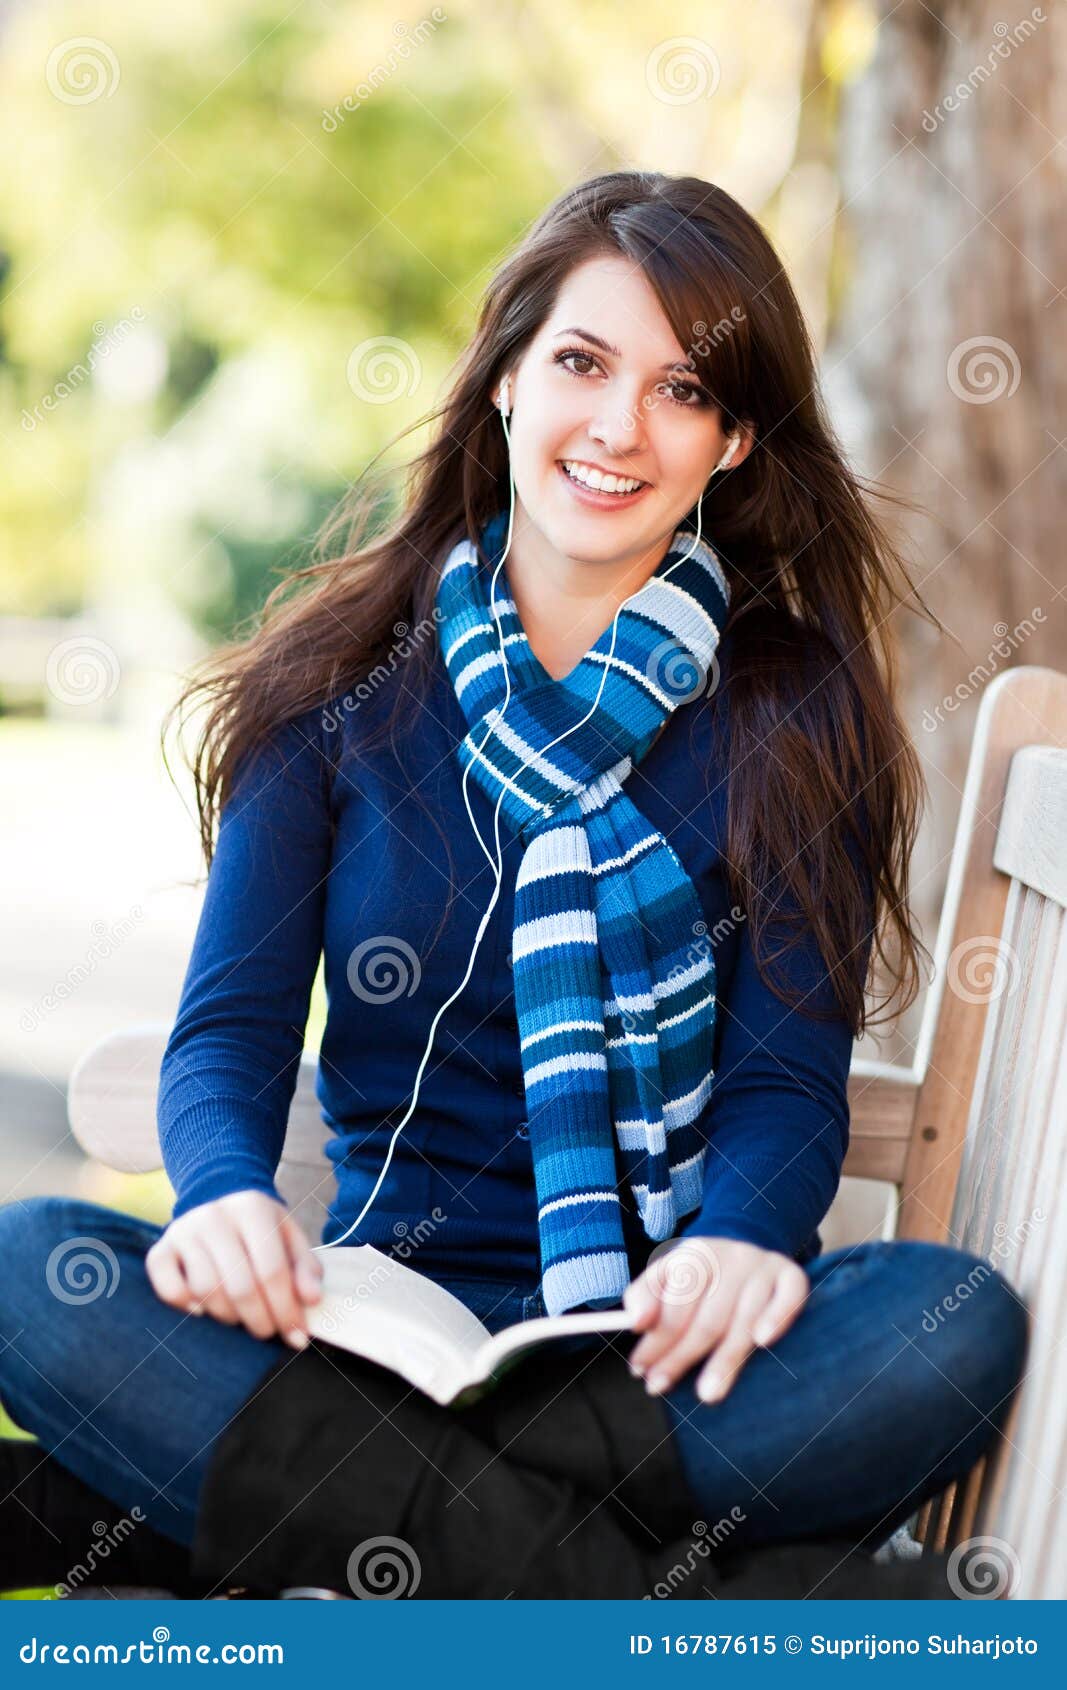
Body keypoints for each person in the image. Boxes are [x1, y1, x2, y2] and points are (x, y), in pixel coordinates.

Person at [0, 171, 1028, 1598]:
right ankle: (645, 1600)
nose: (618, 427)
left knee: (949, 1324)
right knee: (34, 1262)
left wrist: (737, 1241)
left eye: (681, 391)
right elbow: (229, 1038)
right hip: (357, 1312)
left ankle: (207, 1512)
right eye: (582, 363)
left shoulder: (795, 711)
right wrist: (227, 1194)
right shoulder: (334, 689)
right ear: (502, 380)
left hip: (650, 1348)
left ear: (733, 440)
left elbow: (786, 1080)